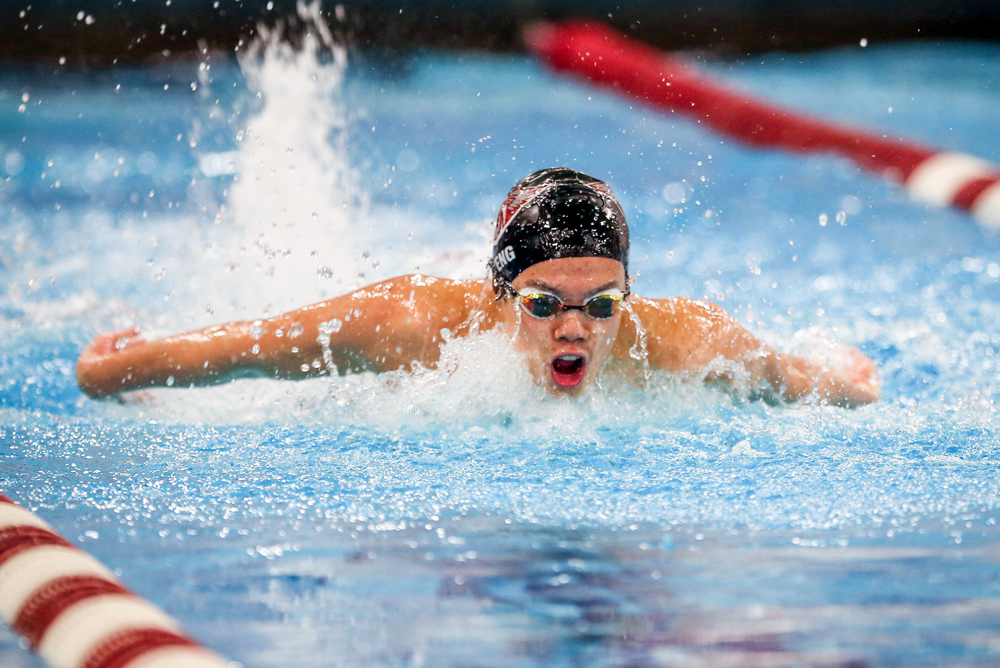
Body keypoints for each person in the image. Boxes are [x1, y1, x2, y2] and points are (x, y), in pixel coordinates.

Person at [76, 168, 879, 406]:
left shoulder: (675, 340)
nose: (577, 329)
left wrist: (848, 387)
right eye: (542, 303)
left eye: (601, 304)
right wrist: (116, 370)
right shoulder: (414, 325)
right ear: (500, 296)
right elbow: (244, 350)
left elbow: (784, 375)